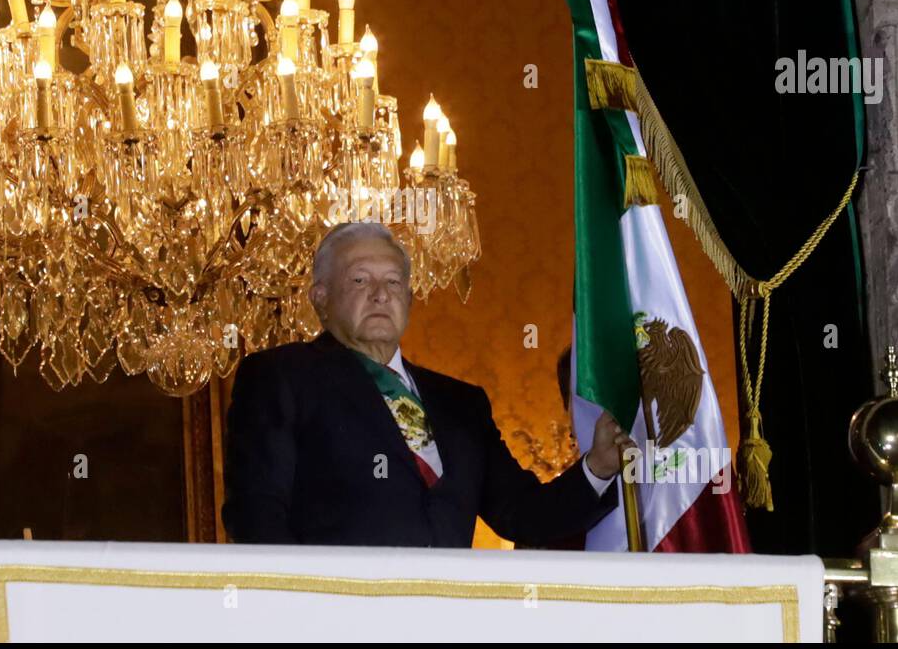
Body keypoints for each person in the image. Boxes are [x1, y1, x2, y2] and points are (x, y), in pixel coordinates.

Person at [222, 222, 635, 547]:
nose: (381, 295)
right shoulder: (281, 377)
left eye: (394, 282)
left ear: (410, 300)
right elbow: (257, 517)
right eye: (360, 281)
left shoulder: (462, 403)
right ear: (320, 298)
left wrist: (598, 466)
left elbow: (523, 515)